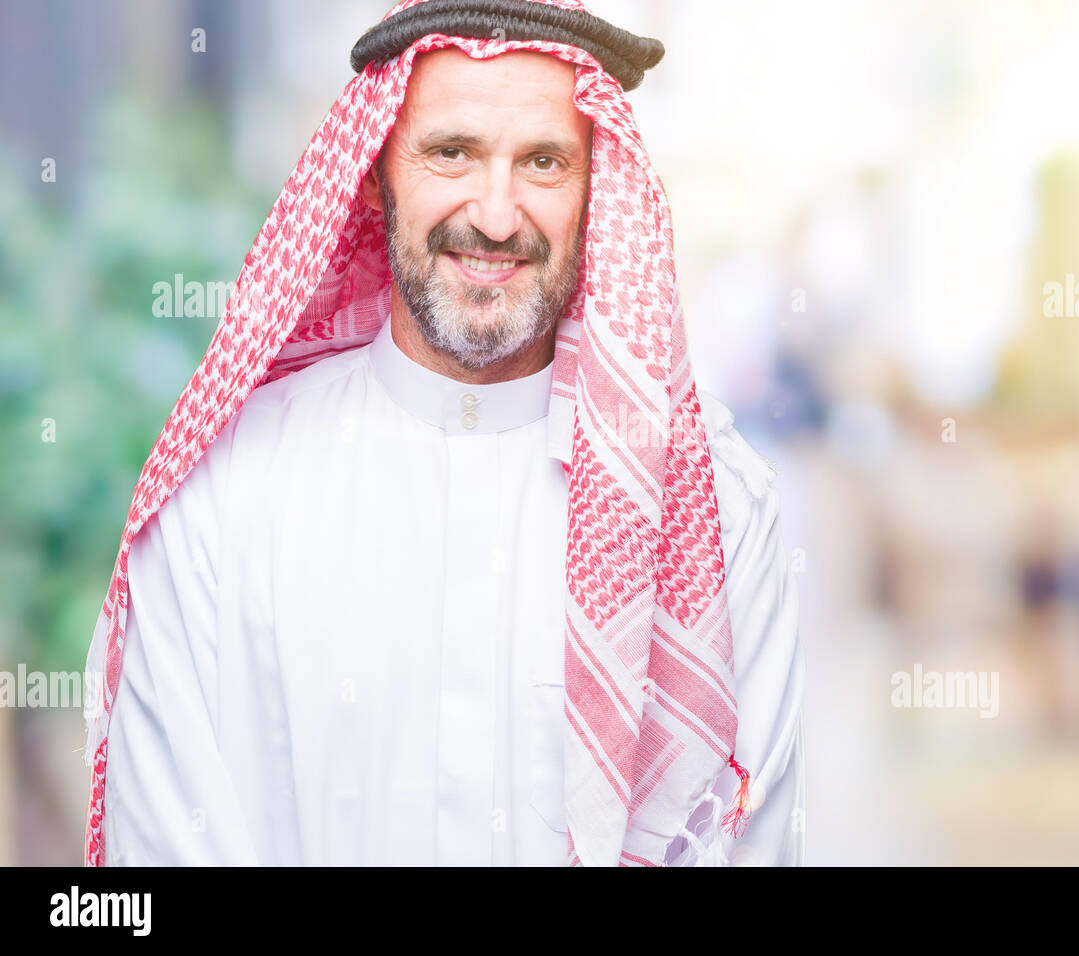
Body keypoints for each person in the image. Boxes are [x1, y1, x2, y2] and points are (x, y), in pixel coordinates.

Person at [81, 0, 806, 867]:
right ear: (378, 168)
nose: (495, 216)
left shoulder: (716, 516)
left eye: (543, 162)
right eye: (451, 152)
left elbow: (745, 843)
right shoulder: (221, 500)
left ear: (595, 190)